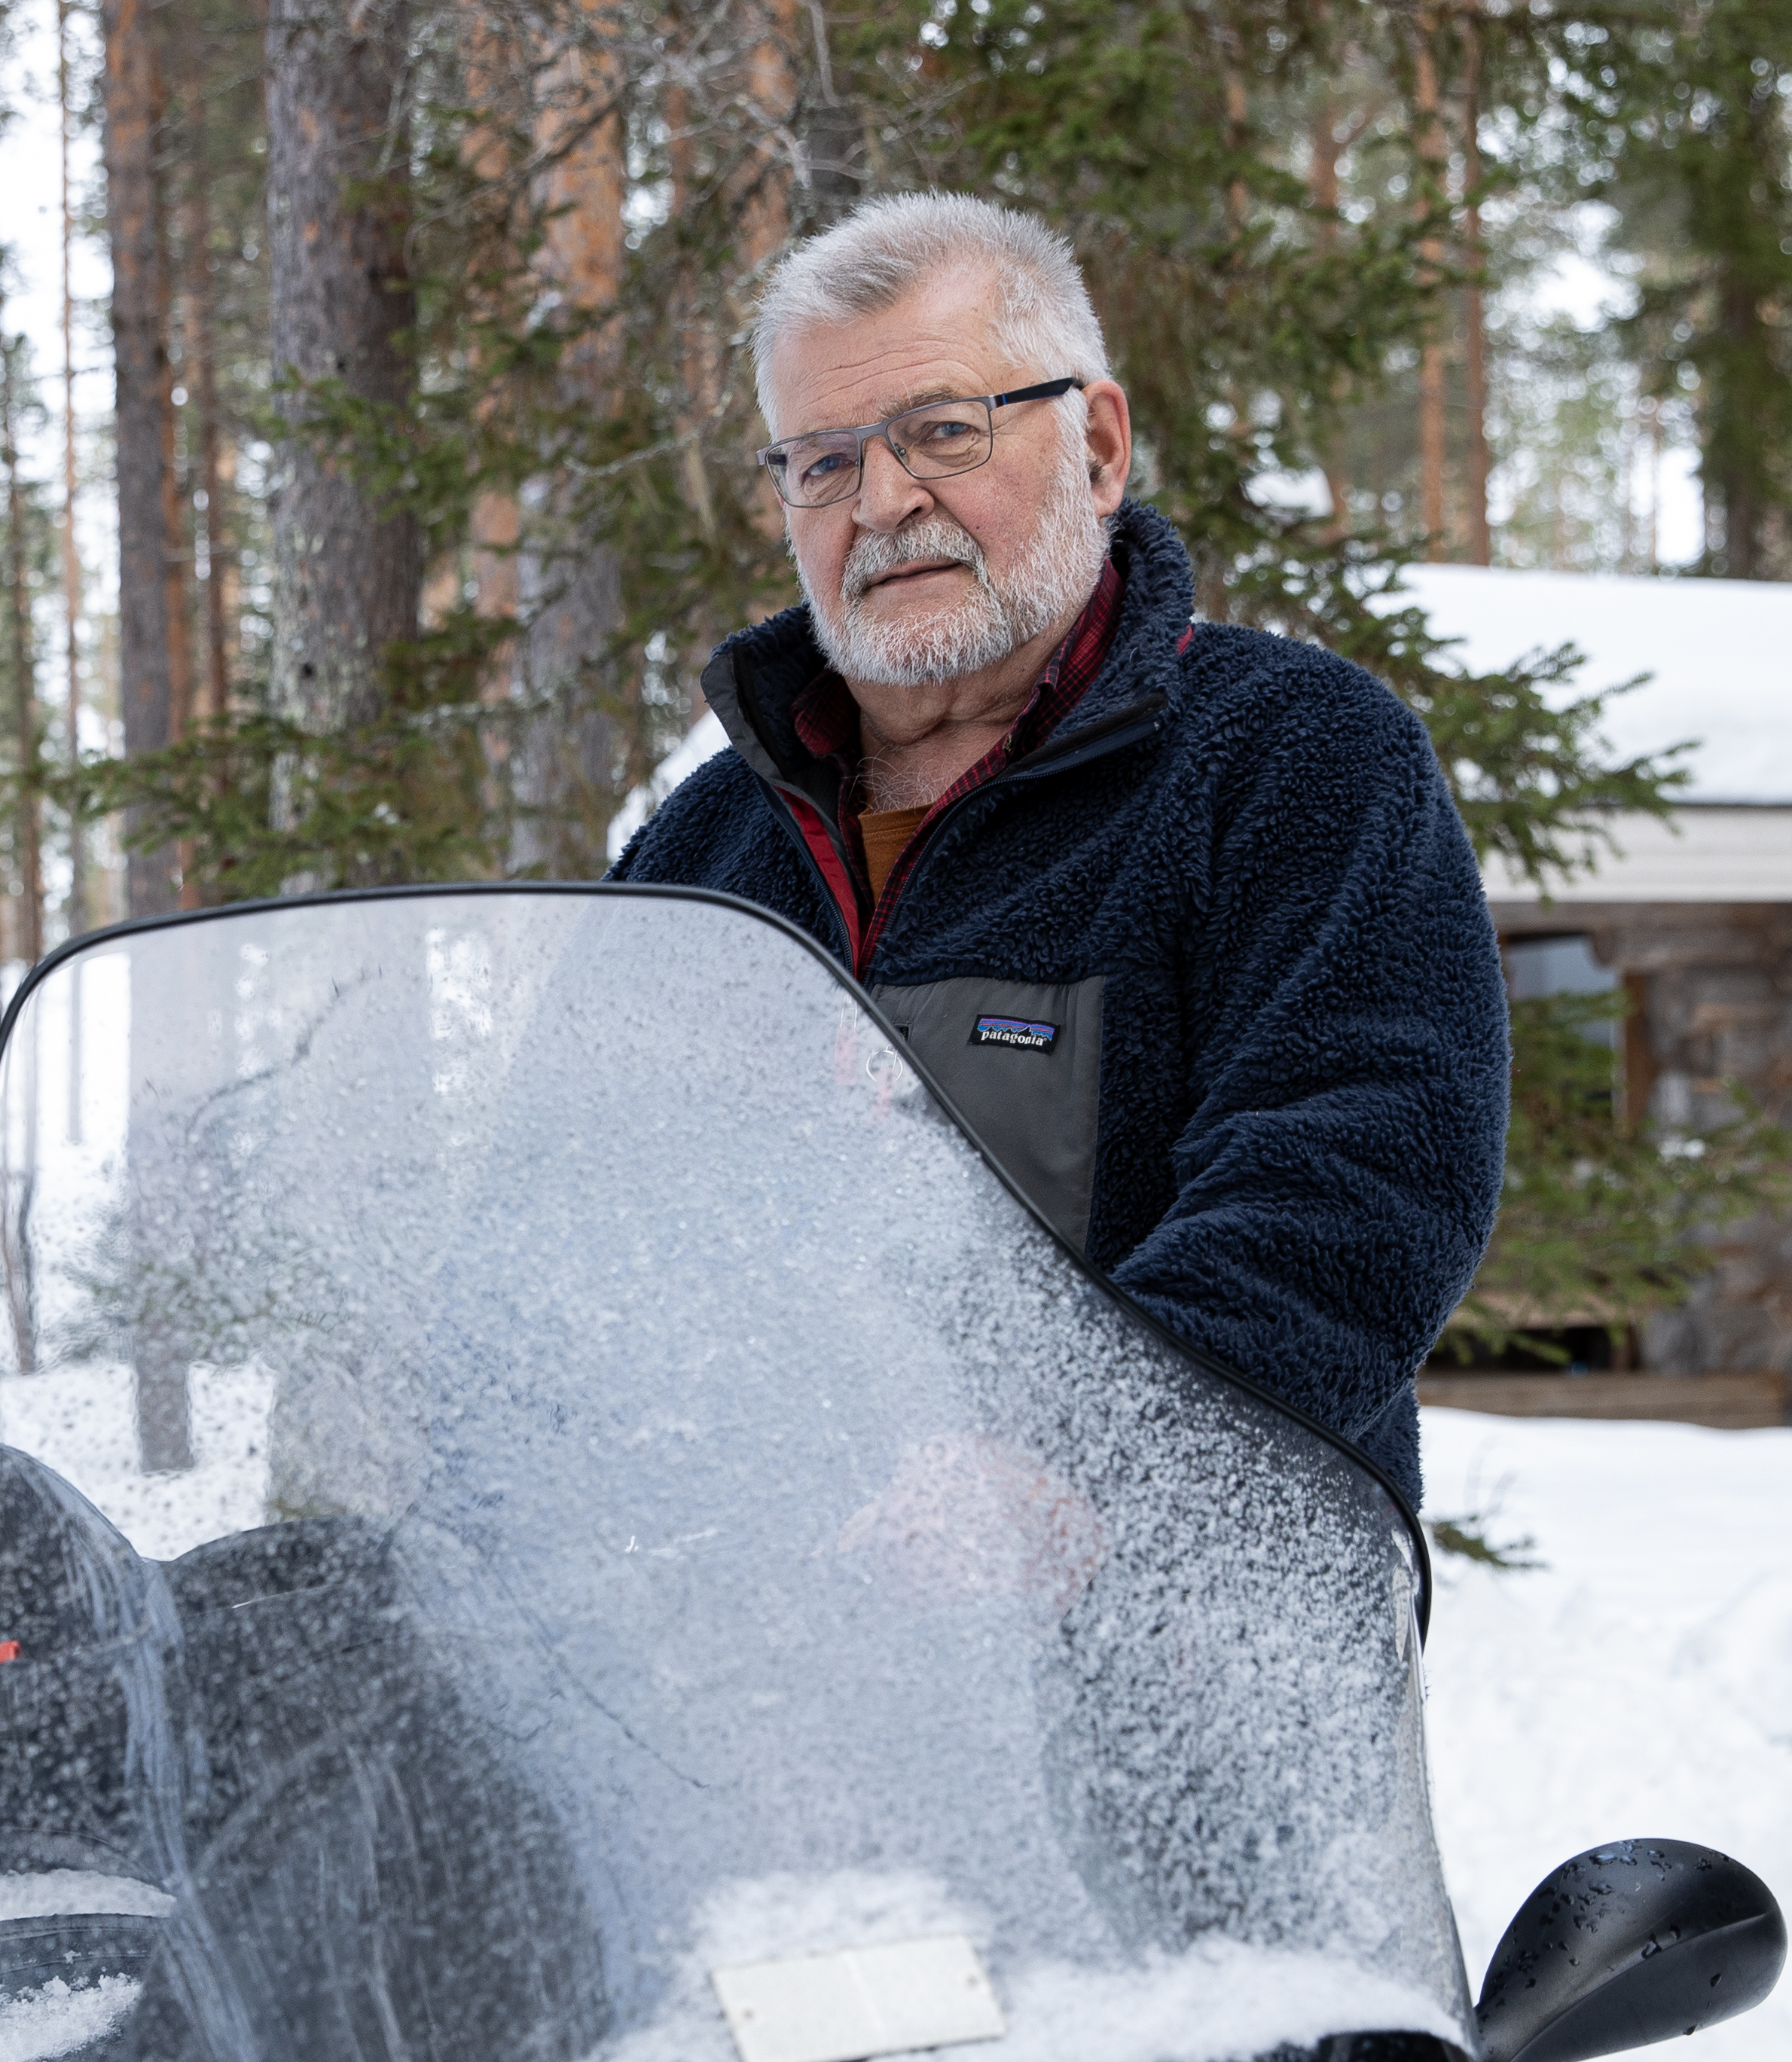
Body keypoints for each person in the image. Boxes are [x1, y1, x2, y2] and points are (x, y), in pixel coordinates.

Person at [609, 191, 1507, 1511]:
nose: (883, 501)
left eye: (942, 433)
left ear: (1096, 446)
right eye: (823, 460)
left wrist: (1074, 1469)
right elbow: (558, 1223)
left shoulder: (1293, 761)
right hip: (769, 1647)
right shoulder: (700, 851)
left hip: (1177, 1650)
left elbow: (1357, 1178)